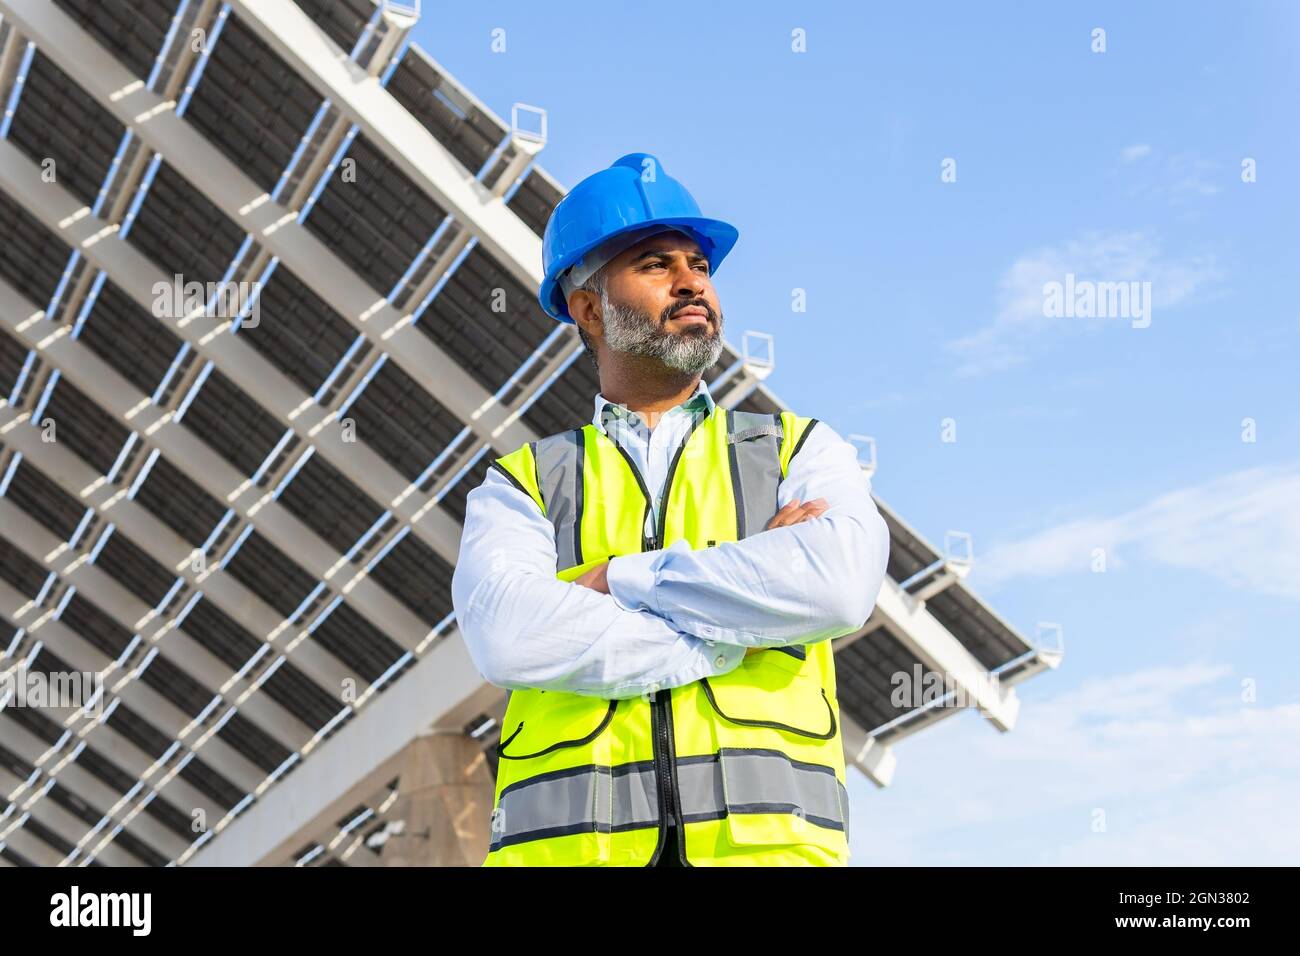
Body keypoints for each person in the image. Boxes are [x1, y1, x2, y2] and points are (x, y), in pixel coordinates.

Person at [451, 153, 890, 866]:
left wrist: (620, 579)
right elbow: (510, 638)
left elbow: (837, 586)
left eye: (701, 266)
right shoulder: (522, 483)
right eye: (655, 264)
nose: (692, 282)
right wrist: (738, 628)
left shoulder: (796, 451)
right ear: (589, 307)